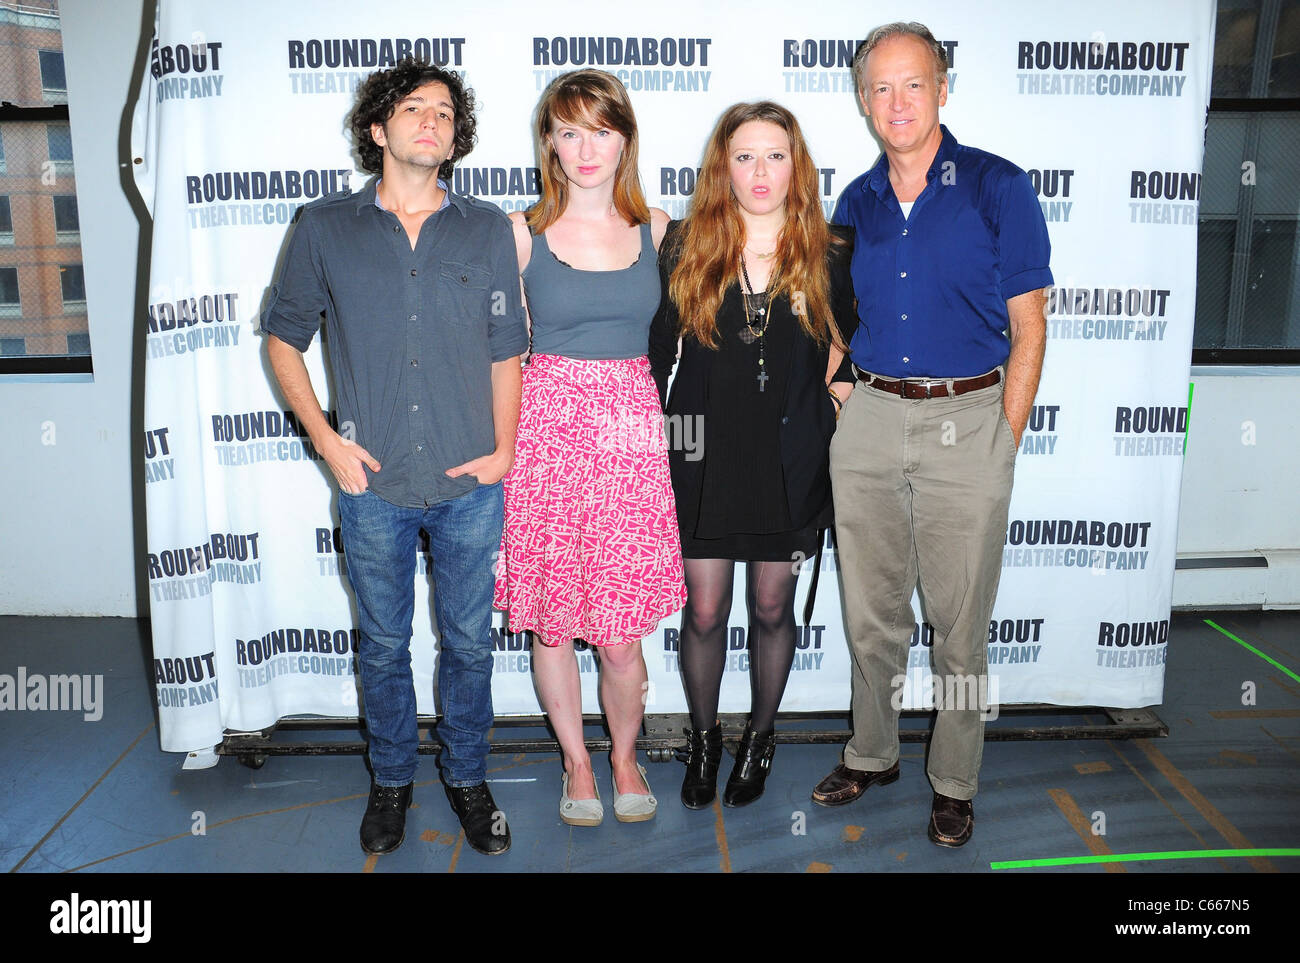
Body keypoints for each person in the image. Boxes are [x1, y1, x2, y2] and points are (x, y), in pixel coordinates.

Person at [262, 58, 527, 856]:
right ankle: (390, 780)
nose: (431, 123)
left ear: (456, 136)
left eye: (445, 114)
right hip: (370, 484)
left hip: (468, 482)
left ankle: (470, 778)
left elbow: (506, 350)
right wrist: (326, 439)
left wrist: (505, 450)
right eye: (414, 109)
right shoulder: (324, 228)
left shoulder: (485, 228)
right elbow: (283, 341)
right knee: (381, 644)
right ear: (377, 129)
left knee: (471, 643)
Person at [813, 22, 1051, 847]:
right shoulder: (856, 200)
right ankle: (871, 751)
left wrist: (1003, 436)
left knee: (959, 627)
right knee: (872, 615)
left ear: (943, 88)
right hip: (873, 416)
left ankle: (953, 778)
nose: (895, 102)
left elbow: (1031, 325)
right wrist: (843, 381)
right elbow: (839, 312)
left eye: (912, 84)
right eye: (879, 87)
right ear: (863, 99)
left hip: (969, 418)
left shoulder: (998, 186)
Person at [650, 102, 857, 809]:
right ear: (722, 166)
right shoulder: (684, 244)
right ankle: (704, 740)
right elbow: (653, 357)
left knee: (773, 606)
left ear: (795, 165)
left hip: (791, 458)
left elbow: (854, 351)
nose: (760, 171)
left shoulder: (830, 250)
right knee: (704, 611)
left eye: (775, 155)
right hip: (702, 453)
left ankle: (760, 737)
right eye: (744, 156)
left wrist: (837, 397)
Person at [493, 70, 686, 827]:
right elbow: (493, 347)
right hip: (547, 438)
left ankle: (624, 754)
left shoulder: (659, 228)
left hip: (631, 442)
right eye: (568, 131)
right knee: (551, 621)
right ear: (549, 141)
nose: (584, 148)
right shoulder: (520, 232)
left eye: (600, 130)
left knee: (618, 632)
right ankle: (577, 760)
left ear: (625, 139)